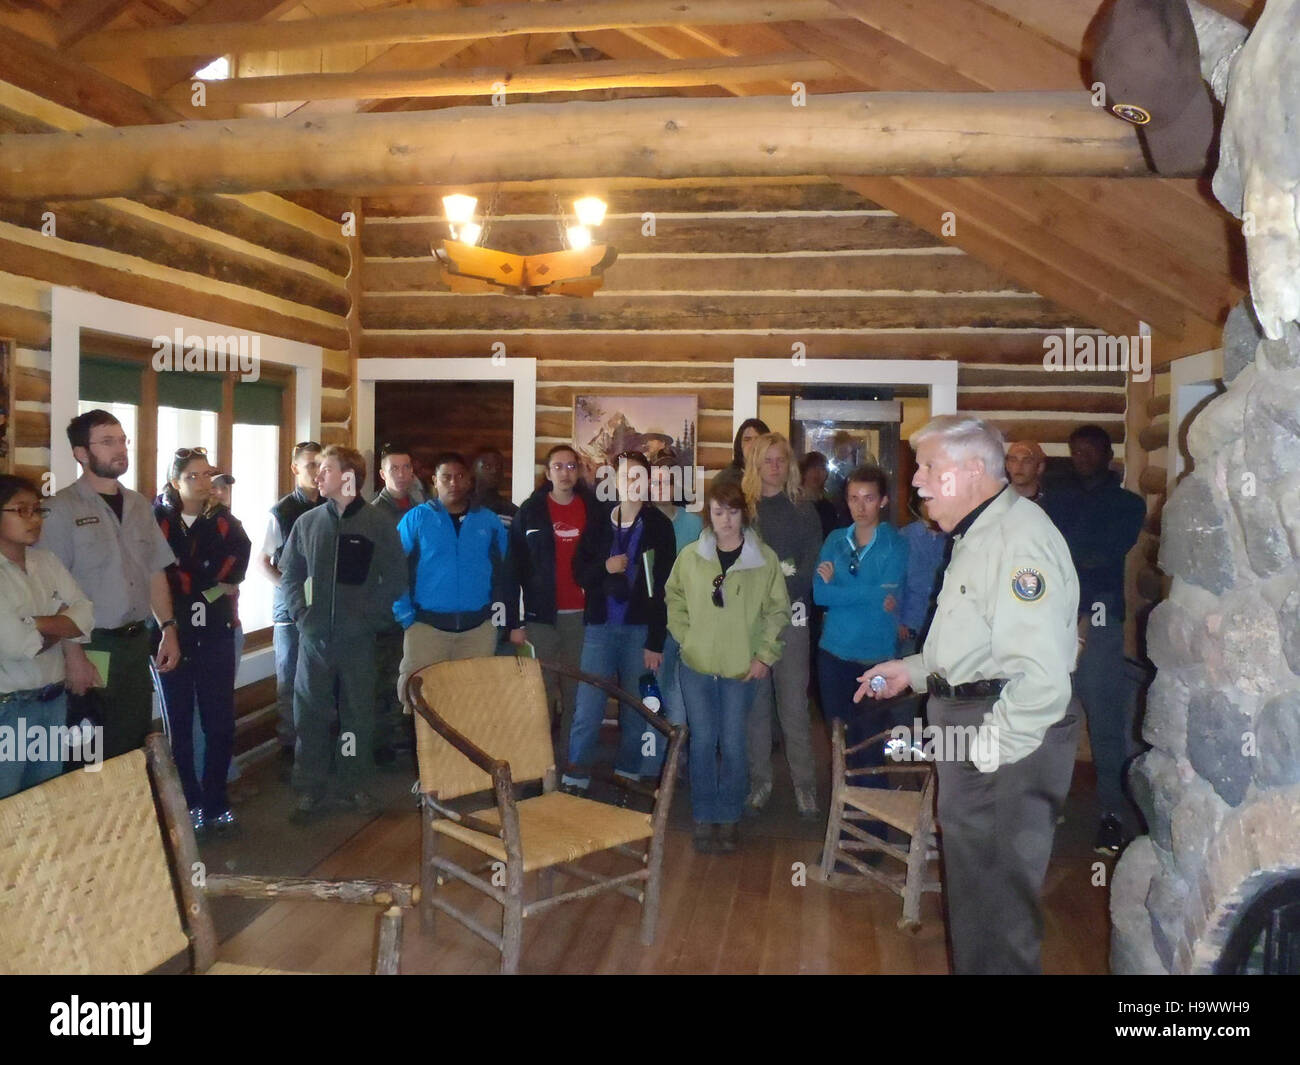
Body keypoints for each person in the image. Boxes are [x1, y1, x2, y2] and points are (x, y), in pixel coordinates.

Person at [856, 415, 1079, 975]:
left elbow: (1042, 678)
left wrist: (984, 752)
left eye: (931, 467)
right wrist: (914, 669)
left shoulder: (1018, 539)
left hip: (1002, 738)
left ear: (975, 470)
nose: (918, 482)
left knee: (998, 910)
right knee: (978, 900)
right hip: (977, 724)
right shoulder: (979, 532)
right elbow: (975, 641)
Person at [39, 410, 181, 759]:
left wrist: (168, 628)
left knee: (132, 744)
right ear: (81, 454)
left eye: (122, 440)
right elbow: (51, 591)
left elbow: (154, 570)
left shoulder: (137, 504)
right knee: (89, 754)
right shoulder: (59, 509)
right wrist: (73, 655)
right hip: (91, 644)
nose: (120, 449)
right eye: (107, 442)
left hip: (135, 644)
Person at [280, 445, 407, 821]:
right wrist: (302, 615)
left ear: (348, 477)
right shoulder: (307, 523)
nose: (318, 476)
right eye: (317, 469)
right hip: (314, 639)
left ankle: (353, 784)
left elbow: (396, 577)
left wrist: (371, 618)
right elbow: (290, 574)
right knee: (310, 714)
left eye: (327, 469)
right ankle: (311, 787)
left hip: (358, 641)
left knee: (356, 715)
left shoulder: (378, 524)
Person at [666, 477, 789, 854]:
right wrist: (687, 638)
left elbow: (777, 610)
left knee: (734, 742)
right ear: (709, 515)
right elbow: (674, 599)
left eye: (733, 512)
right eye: (718, 512)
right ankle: (704, 815)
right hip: (697, 666)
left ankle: (729, 815)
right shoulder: (690, 556)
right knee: (702, 742)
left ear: (743, 514)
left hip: (741, 670)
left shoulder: (764, 559)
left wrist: (765, 655)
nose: (726, 520)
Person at [1041, 425, 1146, 856]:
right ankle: (1047, 808)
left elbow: (1105, 552)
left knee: (1105, 721)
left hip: (1100, 620)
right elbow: (1047, 553)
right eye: (1076, 451)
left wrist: (1069, 553)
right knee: (1049, 717)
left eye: (1090, 451)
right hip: (1053, 620)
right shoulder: (1057, 500)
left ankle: (1111, 815)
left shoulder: (1127, 504)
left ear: (1108, 455)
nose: (1082, 457)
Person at [562, 452, 675, 797]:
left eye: (641, 477)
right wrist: (605, 568)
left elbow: (665, 589)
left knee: (638, 711)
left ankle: (629, 774)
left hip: (640, 633)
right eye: (628, 477)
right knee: (588, 707)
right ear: (616, 482)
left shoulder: (659, 526)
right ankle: (576, 777)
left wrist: (656, 641)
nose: (634, 484)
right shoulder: (598, 522)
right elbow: (579, 572)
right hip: (600, 629)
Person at [152, 449, 251, 833]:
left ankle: (215, 799)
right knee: (179, 723)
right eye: (193, 475)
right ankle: (188, 801)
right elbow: (158, 571)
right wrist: (200, 575)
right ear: (175, 480)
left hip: (216, 631)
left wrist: (189, 574)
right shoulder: (157, 519)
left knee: (219, 720)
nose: (202, 481)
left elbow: (234, 569)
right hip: (169, 632)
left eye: (207, 474)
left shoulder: (226, 522)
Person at [813, 466, 907, 795]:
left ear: (883, 500)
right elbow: (819, 594)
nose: (860, 506)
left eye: (868, 498)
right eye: (853, 498)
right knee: (839, 743)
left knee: (869, 745)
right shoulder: (835, 540)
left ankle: (874, 832)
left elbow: (884, 594)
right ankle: (844, 825)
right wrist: (869, 593)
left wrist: (838, 587)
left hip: (876, 659)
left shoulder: (895, 544)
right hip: (833, 655)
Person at [742, 433, 822, 818]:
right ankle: (760, 784)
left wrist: (777, 595)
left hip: (792, 620)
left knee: (793, 708)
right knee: (755, 710)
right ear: (755, 463)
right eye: (767, 460)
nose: (774, 467)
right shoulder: (745, 510)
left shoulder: (803, 509)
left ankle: (805, 788)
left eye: (780, 460)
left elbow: (808, 568)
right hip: (752, 625)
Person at [0, 475, 94, 798]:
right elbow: (19, 645)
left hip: (52, 700)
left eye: (38, 510)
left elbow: (85, 614)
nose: (35, 519)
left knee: (45, 804)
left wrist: (37, 622)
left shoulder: (47, 561)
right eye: (21, 510)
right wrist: (62, 622)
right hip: (9, 710)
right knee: (7, 810)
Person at [505, 444, 602, 752]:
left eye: (571, 466)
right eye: (558, 467)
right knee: (539, 695)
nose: (565, 472)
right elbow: (512, 571)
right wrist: (514, 622)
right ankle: (540, 768)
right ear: (547, 473)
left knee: (577, 695)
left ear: (579, 472)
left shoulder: (594, 510)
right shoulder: (529, 512)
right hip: (541, 619)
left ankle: (571, 766)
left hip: (582, 618)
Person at [394, 452, 509, 700]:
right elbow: (394, 567)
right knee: (420, 701)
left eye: (459, 476)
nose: (454, 483)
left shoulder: (488, 521)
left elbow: (504, 570)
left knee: (472, 704)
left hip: (477, 631)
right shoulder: (416, 518)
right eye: (446, 477)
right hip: (426, 628)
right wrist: (405, 615)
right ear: (435, 480)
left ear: (469, 481)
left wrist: (495, 617)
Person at [257, 441, 324, 776]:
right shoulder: (281, 512)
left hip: (324, 609)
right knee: (290, 681)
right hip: (290, 613)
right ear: (295, 468)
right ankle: (289, 748)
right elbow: (262, 563)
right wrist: (292, 592)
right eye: (310, 464)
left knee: (321, 679)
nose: (317, 471)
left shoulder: (333, 507)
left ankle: (318, 750)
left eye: (321, 464)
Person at [369, 443, 426, 766]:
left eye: (407, 468)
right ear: (382, 474)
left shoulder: (422, 507)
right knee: (388, 677)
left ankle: (408, 737)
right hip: (389, 609)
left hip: (421, 604)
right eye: (395, 469)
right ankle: (384, 745)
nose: (402, 475)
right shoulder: (375, 514)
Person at [897, 492, 947, 657]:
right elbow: (896, 581)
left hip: (941, 625)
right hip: (910, 625)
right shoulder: (905, 536)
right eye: (926, 500)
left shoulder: (951, 537)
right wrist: (898, 620)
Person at [714, 418, 769, 488]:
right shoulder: (725, 481)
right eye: (747, 440)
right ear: (739, 445)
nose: (753, 444)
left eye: (758, 439)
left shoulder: (774, 476)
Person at [799, 451, 840, 541]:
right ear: (804, 472)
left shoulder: (829, 507)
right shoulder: (794, 504)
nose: (817, 473)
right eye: (812, 467)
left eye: (822, 468)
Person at [471, 447, 518, 525]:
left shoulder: (511, 511)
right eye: (487, 467)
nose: (494, 471)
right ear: (473, 470)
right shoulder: (460, 506)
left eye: (498, 467)